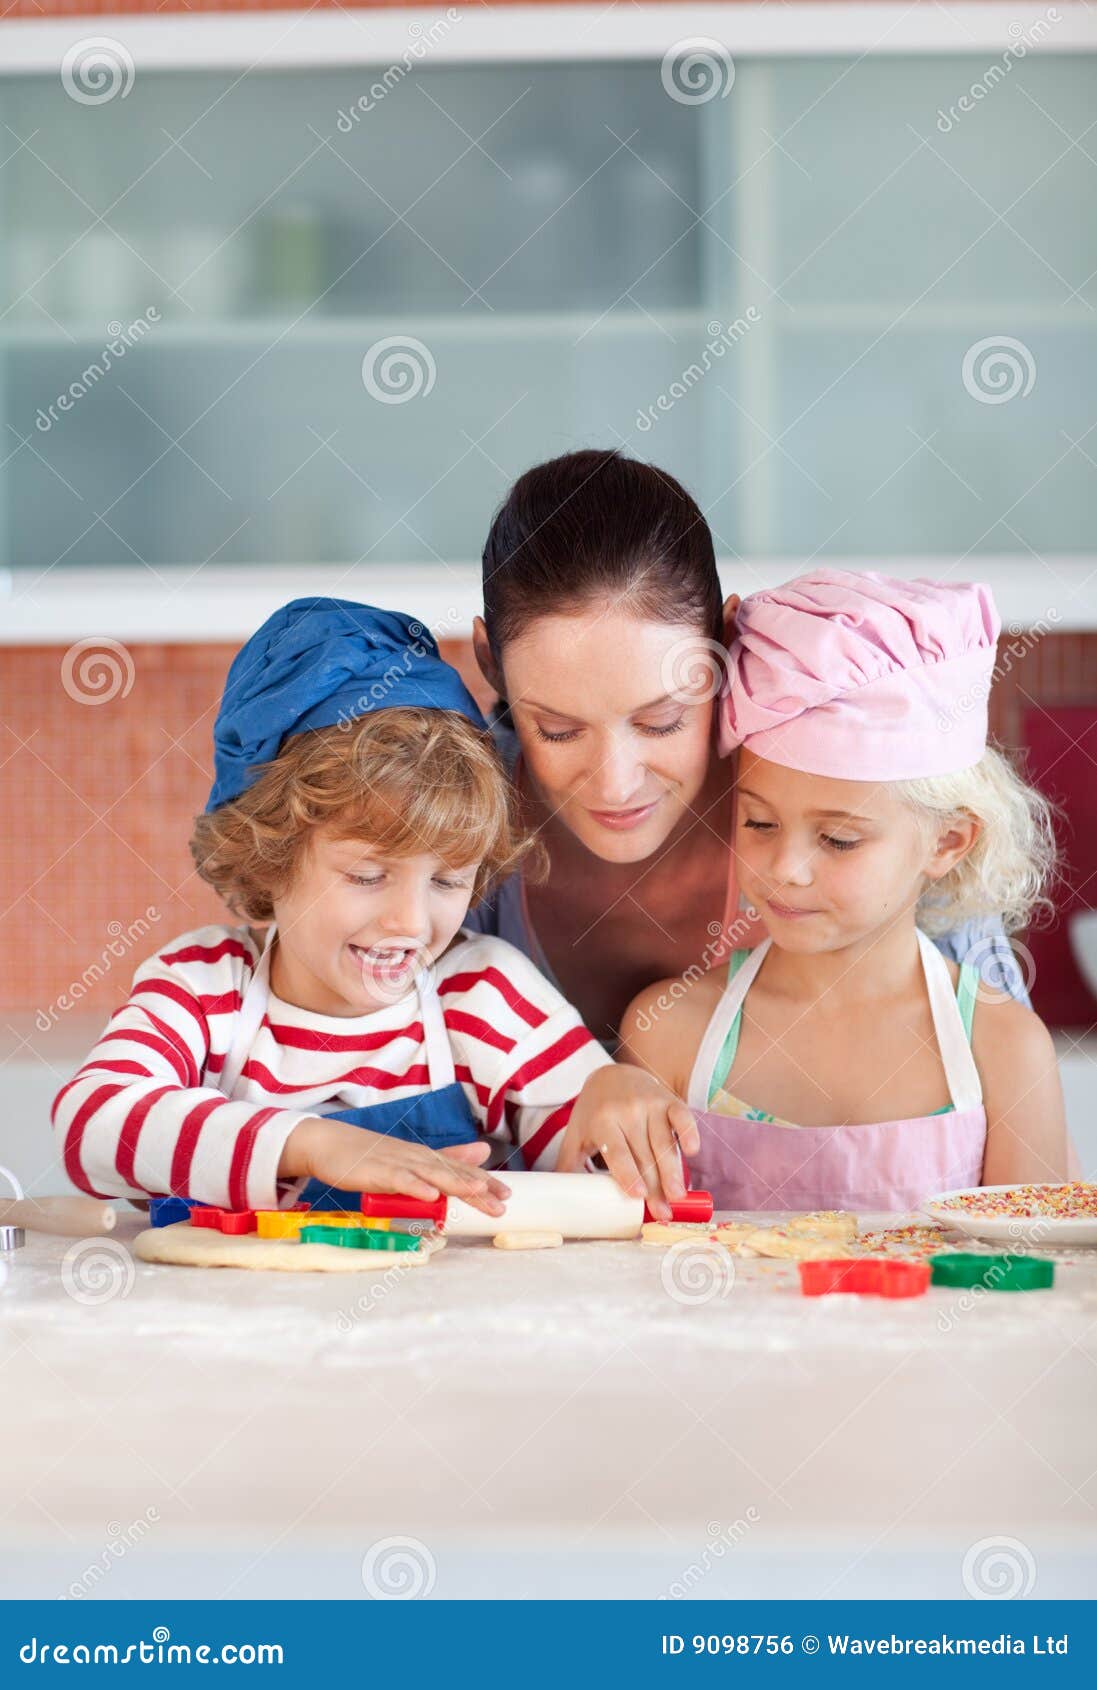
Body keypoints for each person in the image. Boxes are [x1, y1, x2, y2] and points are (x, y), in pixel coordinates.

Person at [51, 600, 695, 1220]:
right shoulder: (203, 988)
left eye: (445, 881)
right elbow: (92, 1123)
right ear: (269, 853)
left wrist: (616, 1112)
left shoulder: (479, 995)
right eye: (367, 875)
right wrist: (310, 1144)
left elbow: (594, 1170)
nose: (411, 923)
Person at [619, 570, 1068, 1211]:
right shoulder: (670, 1034)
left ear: (946, 843)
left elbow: (1033, 1286)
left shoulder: (1003, 1052)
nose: (786, 869)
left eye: (839, 840)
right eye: (759, 822)